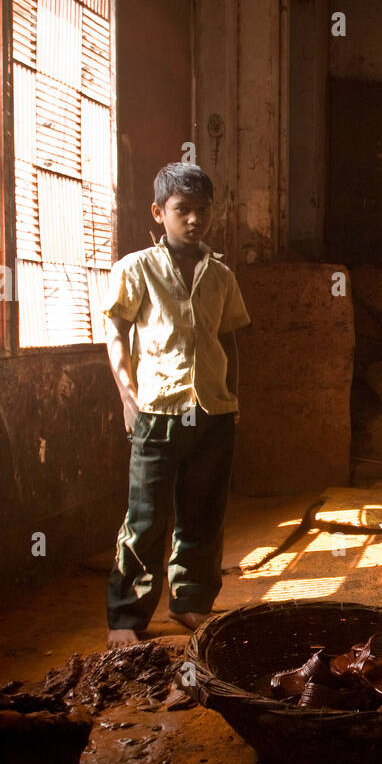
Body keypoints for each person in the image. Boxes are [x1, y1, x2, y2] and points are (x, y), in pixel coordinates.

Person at [102, 163, 250, 648]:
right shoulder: (136, 268)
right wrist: (128, 395)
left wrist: (232, 399)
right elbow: (116, 330)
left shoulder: (221, 275)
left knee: (203, 514)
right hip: (158, 412)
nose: (193, 220)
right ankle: (126, 615)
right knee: (145, 517)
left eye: (202, 210)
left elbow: (228, 337)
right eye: (182, 209)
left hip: (213, 413)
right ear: (158, 212)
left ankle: (190, 603)